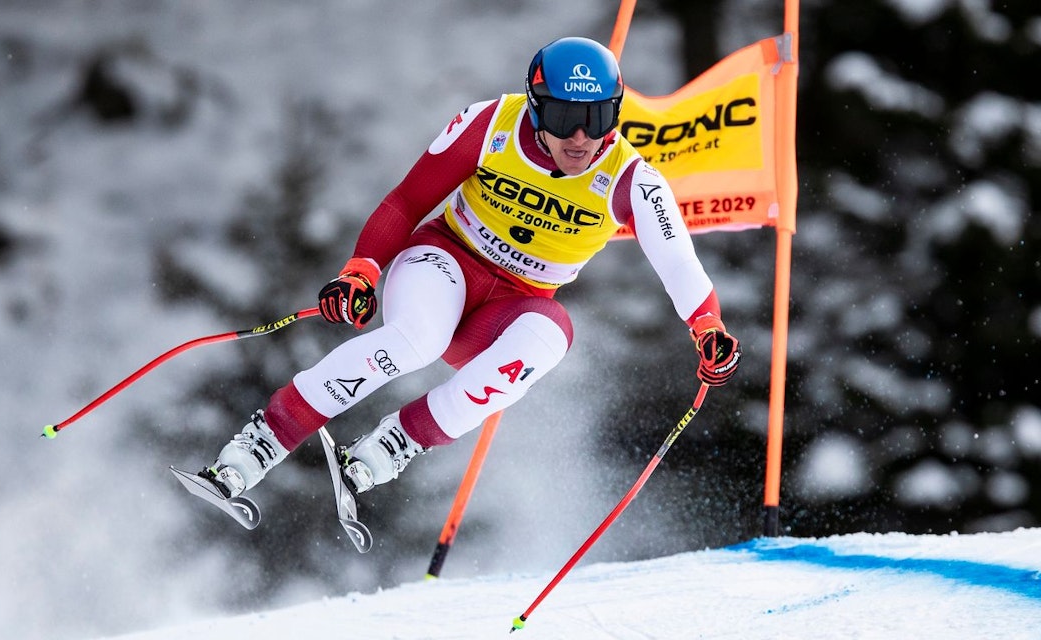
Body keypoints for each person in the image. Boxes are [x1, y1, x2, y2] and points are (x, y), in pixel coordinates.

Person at [195, 36, 741, 508]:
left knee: (553, 335)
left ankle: (398, 441)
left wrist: (707, 327)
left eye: (597, 118)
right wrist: (361, 271)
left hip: (508, 308)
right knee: (418, 340)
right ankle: (265, 440)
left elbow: (678, 262)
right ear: (536, 108)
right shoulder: (491, 124)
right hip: (444, 262)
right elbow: (408, 200)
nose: (580, 138)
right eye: (564, 118)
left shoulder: (631, 179)